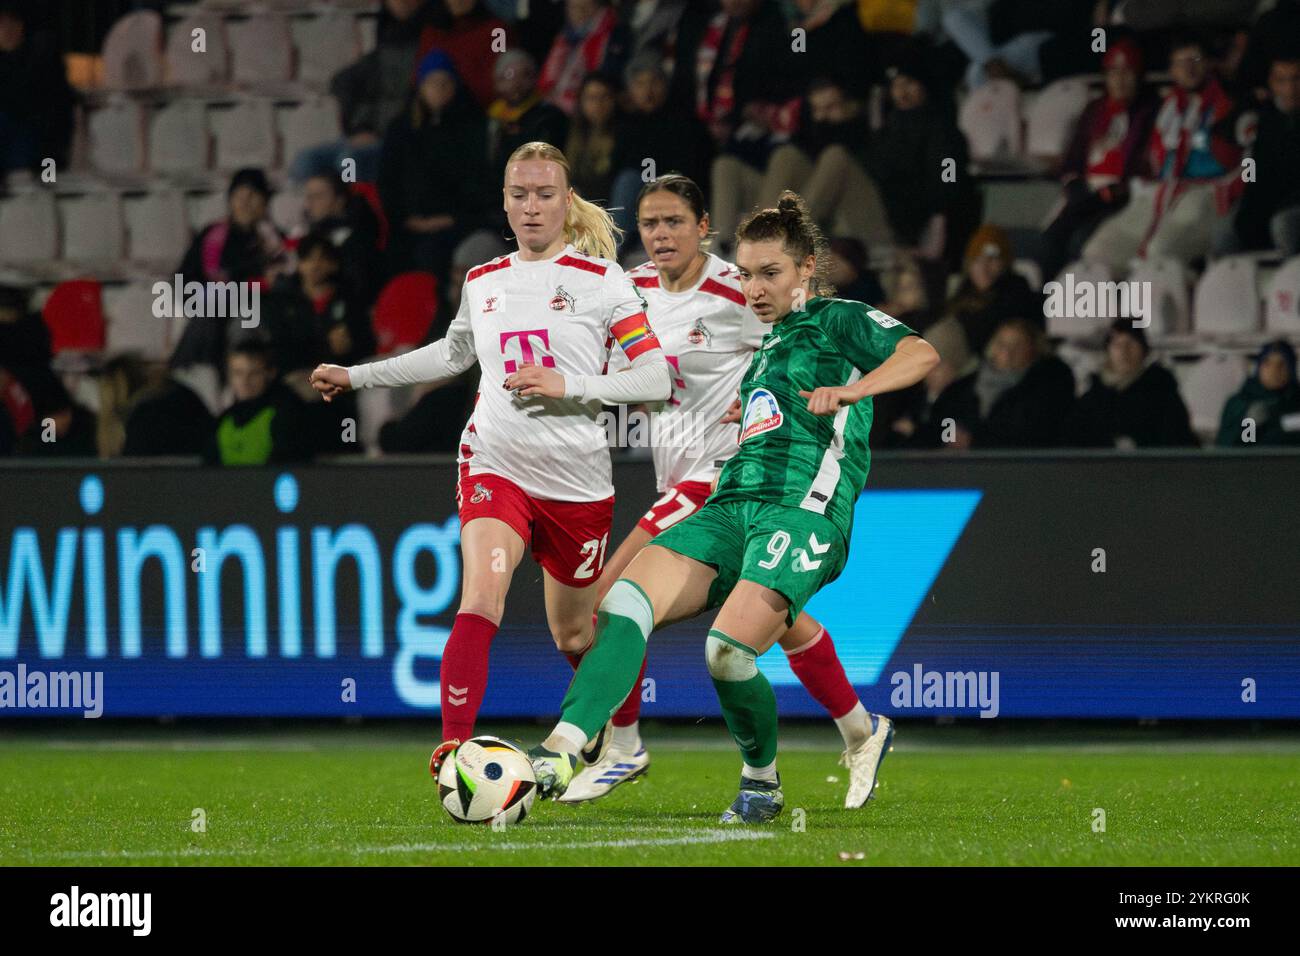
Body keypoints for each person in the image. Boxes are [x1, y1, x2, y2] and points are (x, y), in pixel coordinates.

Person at [526, 191, 940, 822]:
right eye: (745, 273)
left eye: (770, 273)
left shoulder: (837, 320)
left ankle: (761, 782)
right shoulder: (766, 353)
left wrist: (855, 389)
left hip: (802, 509)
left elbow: (921, 354)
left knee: (727, 651)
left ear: (805, 270)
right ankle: (562, 749)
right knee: (621, 605)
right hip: (730, 504)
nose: (753, 287)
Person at [309, 142, 672, 776]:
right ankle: (452, 750)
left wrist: (570, 385)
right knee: (481, 598)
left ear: (566, 202)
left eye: (545, 194)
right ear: (504, 201)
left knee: (576, 636)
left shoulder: (602, 283)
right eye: (519, 194)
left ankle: (622, 739)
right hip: (494, 461)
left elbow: (654, 381)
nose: (531, 207)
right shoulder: (483, 280)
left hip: (577, 483)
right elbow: (451, 358)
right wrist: (357, 376)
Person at [1081, 32, 1242, 274]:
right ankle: (1103, 310)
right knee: (1097, 251)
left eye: (1195, 61)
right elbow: (1152, 161)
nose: (1188, 69)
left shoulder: (1231, 104)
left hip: (1205, 195)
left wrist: (1233, 191)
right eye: (1180, 63)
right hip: (1159, 193)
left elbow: (1249, 164)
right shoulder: (1166, 107)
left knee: (1160, 253)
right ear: (1172, 70)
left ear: (1208, 63)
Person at [1039, 38, 1158, 282]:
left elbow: (1148, 162)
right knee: (1049, 241)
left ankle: (1078, 306)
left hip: (1121, 195)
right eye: (1114, 72)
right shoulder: (1094, 110)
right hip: (1086, 191)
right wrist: (1074, 184)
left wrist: (1115, 190)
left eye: (1128, 72)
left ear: (1139, 76)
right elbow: (1073, 158)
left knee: (1080, 242)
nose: (1120, 79)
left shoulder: (1149, 111)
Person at [378, 49, 491, 281]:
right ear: (420, 86)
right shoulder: (401, 129)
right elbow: (388, 180)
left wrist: (453, 218)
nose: (439, 89)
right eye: (432, 82)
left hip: (457, 224)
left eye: (445, 83)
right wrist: (407, 219)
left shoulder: (472, 127)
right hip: (408, 225)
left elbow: (478, 180)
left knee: (432, 257)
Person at [168, 168, 287, 375]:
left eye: (252, 196)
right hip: (214, 309)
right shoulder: (212, 235)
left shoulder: (275, 241)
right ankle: (185, 380)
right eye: (239, 196)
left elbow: (279, 283)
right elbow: (183, 280)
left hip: (257, 312)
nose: (244, 202)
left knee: (242, 324)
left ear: (264, 202)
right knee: (206, 318)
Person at [924, 316, 1075, 449]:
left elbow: (1032, 435)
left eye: (1017, 345)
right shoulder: (964, 387)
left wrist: (975, 443)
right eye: (1002, 343)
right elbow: (942, 421)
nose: (1007, 352)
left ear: (1033, 349)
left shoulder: (1044, 389)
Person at [1214, 52, 1300, 258]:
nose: (1290, 89)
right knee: (1224, 232)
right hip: (1267, 197)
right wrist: (1249, 101)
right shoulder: (1263, 114)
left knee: (1283, 224)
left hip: (1293, 202)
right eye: (1281, 80)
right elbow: (1224, 135)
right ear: (1271, 83)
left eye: (1297, 79)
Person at [1068, 319, 1197, 448]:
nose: (1124, 351)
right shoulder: (1092, 399)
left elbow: (1179, 440)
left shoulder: (1162, 394)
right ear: (1108, 351)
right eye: (1117, 345)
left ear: (1144, 350)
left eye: (1131, 343)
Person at [204, 340, 313, 466]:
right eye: (238, 373)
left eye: (254, 373)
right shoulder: (223, 422)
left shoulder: (287, 416)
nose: (245, 381)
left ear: (270, 373)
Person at [943, 224, 1043, 356]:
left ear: (1004, 264)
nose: (984, 267)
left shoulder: (1017, 295)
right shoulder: (961, 291)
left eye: (992, 260)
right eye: (977, 260)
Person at [1216, 340, 1300, 447]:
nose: (1274, 370)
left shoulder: (1296, 402)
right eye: (1267, 363)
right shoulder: (1239, 404)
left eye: (1282, 364)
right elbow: (1226, 450)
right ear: (1259, 367)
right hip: (1252, 463)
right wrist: (1250, 425)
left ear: (1291, 369)